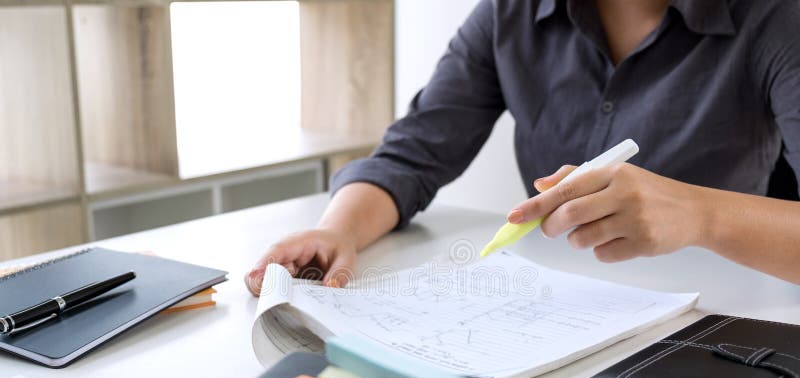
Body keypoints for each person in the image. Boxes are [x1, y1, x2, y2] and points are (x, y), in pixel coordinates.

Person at [246, 0, 800, 295]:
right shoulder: (508, 13)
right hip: (551, 312)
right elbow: (411, 155)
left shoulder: (777, 18)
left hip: (721, 318)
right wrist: (338, 229)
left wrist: (700, 214)